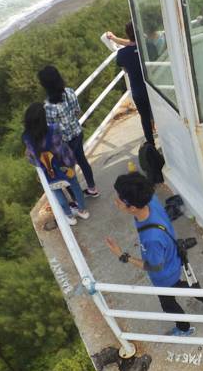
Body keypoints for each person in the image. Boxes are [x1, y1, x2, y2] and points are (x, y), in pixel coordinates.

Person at [105, 172, 203, 337]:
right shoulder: (149, 200)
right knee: (183, 288)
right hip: (171, 255)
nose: (115, 201)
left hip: (164, 274)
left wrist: (123, 256)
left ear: (132, 207)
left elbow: (153, 266)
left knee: (168, 303)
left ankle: (184, 328)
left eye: (119, 199)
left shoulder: (151, 239)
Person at [22, 102, 90, 226]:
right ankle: (83, 211)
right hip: (64, 166)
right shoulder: (54, 129)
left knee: (57, 191)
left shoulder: (27, 137)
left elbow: (32, 158)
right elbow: (61, 149)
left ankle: (69, 216)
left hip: (48, 170)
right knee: (75, 186)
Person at [38, 65, 97, 198]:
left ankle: (77, 199)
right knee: (82, 161)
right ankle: (92, 188)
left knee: (67, 170)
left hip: (64, 143)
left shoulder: (48, 106)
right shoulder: (70, 92)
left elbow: (52, 130)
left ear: (45, 85)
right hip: (77, 133)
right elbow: (77, 111)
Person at [106, 22, 156, 144]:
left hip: (138, 91)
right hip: (153, 87)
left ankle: (151, 145)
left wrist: (113, 38)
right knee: (158, 111)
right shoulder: (149, 46)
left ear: (127, 35)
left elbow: (125, 69)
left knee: (144, 118)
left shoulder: (122, 54)